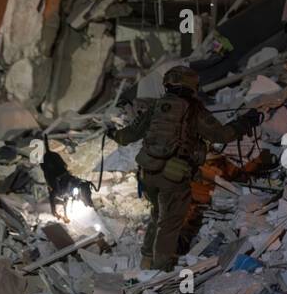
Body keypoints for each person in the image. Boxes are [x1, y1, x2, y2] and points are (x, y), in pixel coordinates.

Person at [111, 65, 261, 270]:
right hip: (172, 176)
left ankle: (146, 259)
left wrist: (112, 134)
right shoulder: (193, 109)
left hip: (147, 173)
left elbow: (127, 136)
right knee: (170, 224)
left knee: (157, 213)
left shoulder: (157, 106)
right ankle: (158, 270)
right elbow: (222, 135)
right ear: (192, 85)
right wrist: (246, 121)